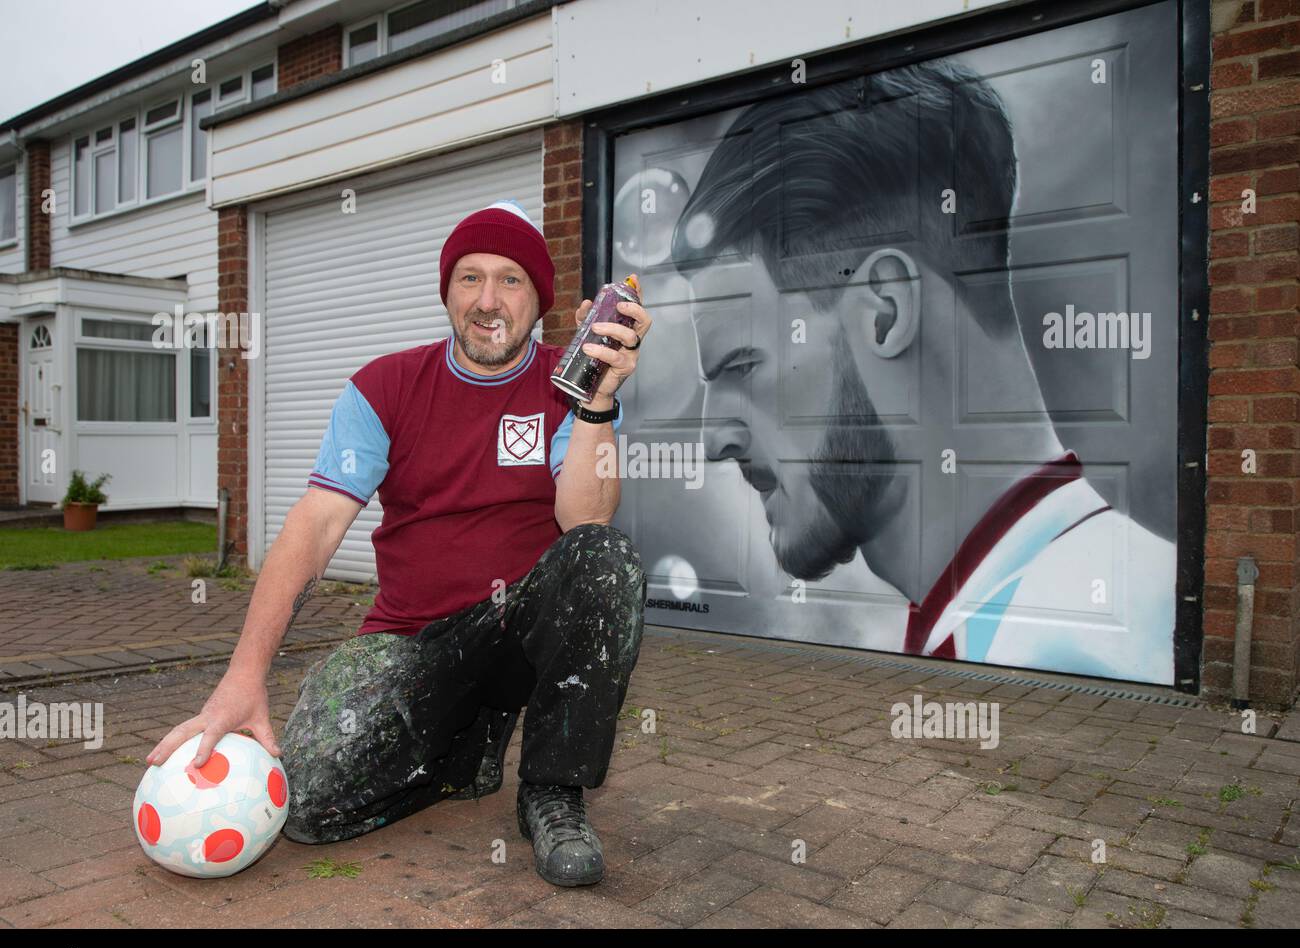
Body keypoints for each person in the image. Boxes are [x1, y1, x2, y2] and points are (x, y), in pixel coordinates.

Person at [147, 198, 651, 887]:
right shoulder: (384, 387)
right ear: (447, 292)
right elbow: (316, 525)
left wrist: (596, 402)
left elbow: (584, 521)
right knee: (311, 806)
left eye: (510, 280)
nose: (487, 299)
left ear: (540, 303)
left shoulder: (563, 388)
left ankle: (551, 791)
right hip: (415, 640)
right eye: (469, 277)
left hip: (518, 638)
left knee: (607, 559)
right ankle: (462, 746)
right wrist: (244, 676)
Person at [667, 62, 1175, 684]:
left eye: (743, 365)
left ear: (885, 311)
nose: (713, 440)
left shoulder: (1063, 653)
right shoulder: (1024, 614)